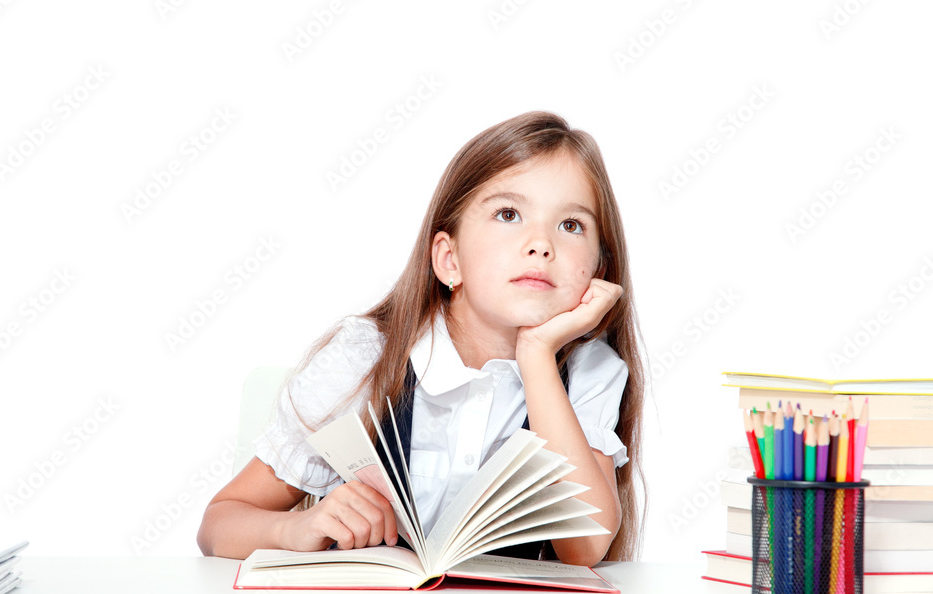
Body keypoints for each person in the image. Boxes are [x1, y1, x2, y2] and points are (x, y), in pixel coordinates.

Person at [197, 110, 646, 567]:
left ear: (597, 273)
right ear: (449, 260)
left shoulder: (590, 372)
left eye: (571, 225)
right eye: (508, 214)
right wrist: (296, 527)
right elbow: (219, 524)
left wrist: (536, 354)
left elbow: (584, 548)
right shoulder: (367, 359)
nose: (541, 244)